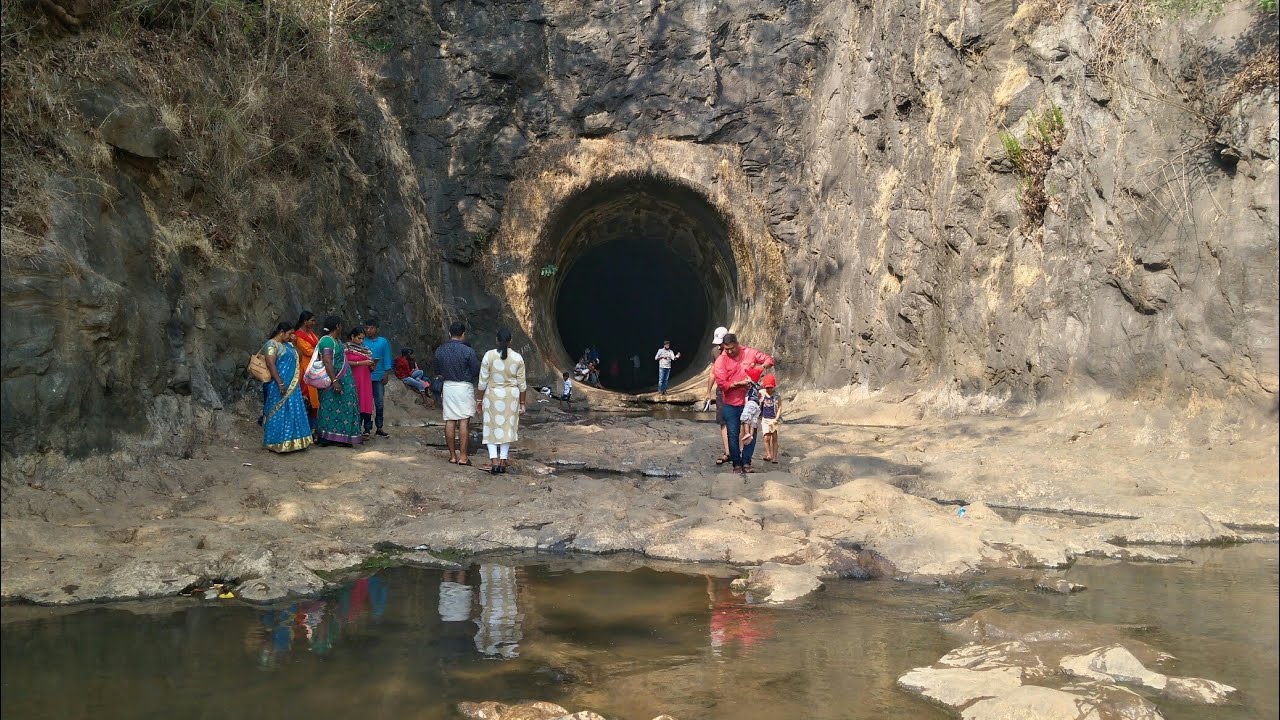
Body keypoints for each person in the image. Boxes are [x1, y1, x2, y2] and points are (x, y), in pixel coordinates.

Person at [713, 332, 774, 474]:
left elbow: (769, 359)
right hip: (731, 403)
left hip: (750, 402)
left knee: (751, 433)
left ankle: (747, 462)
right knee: (732, 434)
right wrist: (739, 384)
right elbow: (722, 384)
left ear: (737, 344)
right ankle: (736, 464)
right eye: (726, 349)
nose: (729, 352)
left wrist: (762, 367)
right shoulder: (721, 361)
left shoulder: (750, 353)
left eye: (732, 348)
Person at [476, 328, 527, 474]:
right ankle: (503, 461)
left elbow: (482, 382)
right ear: (510, 341)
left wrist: (479, 400)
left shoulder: (489, 355)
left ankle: (494, 461)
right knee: (507, 427)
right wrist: (522, 404)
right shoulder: (518, 358)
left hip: (492, 395)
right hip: (511, 396)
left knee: (490, 427)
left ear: (496, 340)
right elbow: (522, 384)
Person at [260, 321, 313, 453]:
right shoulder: (271, 344)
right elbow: (271, 364)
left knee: (293, 411)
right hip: (277, 385)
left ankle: (294, 442)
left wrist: (294, 344)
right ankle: (276, 442)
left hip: (293, 386)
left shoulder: (288, 345)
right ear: (281, 332)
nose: (291, 336)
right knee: (278, 412)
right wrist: (280, 383)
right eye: (289, 334)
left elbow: (299, 358)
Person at [434, 321, 481, 465]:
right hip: (463, 387)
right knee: (464, 422)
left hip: (448, 386)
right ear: (463, 335)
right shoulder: (468, 351)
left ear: (449, 334)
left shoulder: (440, 350)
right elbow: (475, 370)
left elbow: (437, 369)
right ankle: (463, 457)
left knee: (450, 420)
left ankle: (453, 456)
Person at [316, 316, 362, 447]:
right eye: (341, 325)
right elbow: (327, 361)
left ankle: (342, 437)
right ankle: (327, 438)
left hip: (344, 381)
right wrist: (335, 381)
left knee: (346, 407)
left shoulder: (337, 341)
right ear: (337, 326)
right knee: (329, 409)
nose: (342, 328)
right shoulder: (327, 341)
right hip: (333, 381)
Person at [704, 326, 732, 466]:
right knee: (723, 421)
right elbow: (713, 372)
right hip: (721, 391)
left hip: (735, 390)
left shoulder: (735, 351)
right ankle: (728, 452)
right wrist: (708, 392)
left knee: (737, 421)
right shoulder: (715, 352)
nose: (720, 345)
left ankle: (737, 451)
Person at [363, 318, 394, 438]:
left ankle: (379, 427)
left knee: (379, 403)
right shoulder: (363, 341)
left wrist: (386, 373)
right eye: (366, 328)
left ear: (377, 329)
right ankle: (367, 428)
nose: (368, 330)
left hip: (379, 376)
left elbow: (387, 357)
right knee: (367, 403)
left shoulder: (383, 342)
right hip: (366, 376)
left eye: (371, 328)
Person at [293, 311, 321, 433]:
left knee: (315, 398)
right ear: (305, 321)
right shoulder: (298, 335)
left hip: (314, 367)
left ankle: (313, 427)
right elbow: (308, 351)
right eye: (312, 320)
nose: (314, 323)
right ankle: (305, 427)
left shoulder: (311, 333)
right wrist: (319, 351)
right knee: (307, 397)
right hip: (305, 369)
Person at [346, 328, 376, 439]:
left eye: (363, 338)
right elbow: (344, 363)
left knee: (364, 403)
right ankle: (352, 431)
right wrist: (361, 362)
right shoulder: (346, 347)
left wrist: (372, 366)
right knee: (354, 403)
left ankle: (364, 430)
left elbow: (369, 365)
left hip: (365, 379)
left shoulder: (366, 349)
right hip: (352, 379)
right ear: (352, 336)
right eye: (359, 338)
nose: (361, 341)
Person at [739, 366, 764, 452]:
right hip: (757, 406)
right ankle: (751, 435)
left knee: (745, 418)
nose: (746, 377)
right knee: (753, 421)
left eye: (748, 376)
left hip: (750, 404)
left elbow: (746, 384)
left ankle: (746, 433)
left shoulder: (750, 384)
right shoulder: (758, 385)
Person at [759, 374, 781, 463]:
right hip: (765, 419)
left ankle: (775, 457)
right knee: (766, 438)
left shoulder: (777, 396)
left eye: (770, 388)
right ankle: (768, 454)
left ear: (774, 387)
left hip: (773, 419)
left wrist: (777, 418)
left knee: (774, 438)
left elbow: (780, 407)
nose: (769, 390)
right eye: (767, 388)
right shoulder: (762, 393)